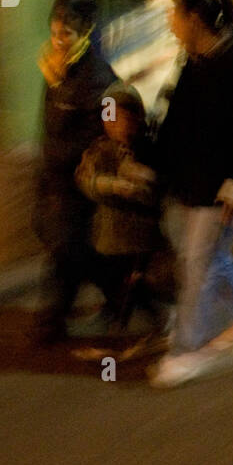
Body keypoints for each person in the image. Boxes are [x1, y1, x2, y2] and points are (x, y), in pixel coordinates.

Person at [148, 0, 233, 388]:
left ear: (194, 19)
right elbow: (177, 123)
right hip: (187, 181)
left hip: (218, 188)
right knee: (203, 260)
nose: (170, 22)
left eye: (174, 14)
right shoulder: (194, 60)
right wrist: (153, 164)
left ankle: (186, 350)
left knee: (198, 265)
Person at [33, 0, 118, 344]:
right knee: (73, 249)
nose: (57, 41)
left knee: (66, 248)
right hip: (53, 179)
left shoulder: (97, 78)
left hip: (80, 182)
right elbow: (46, 129)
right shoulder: (55, 72)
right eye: (54, 34)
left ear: (83, 34)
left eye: (65, 34)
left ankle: (50, 320)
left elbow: (99, 136)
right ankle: (122, 294)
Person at [74, 81, 161, 335]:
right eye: (110, 118)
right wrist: (109, 185)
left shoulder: (147, 149)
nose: (117, 125)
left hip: (140, 234)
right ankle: (119, 313)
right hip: (108, 235)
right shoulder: (100, 150)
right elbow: (85, 179)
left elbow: (160, 190)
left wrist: (143, 184)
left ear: (137, 118)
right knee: (111, 277)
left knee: (135, 281)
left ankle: (124, 324)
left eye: (125, 118)